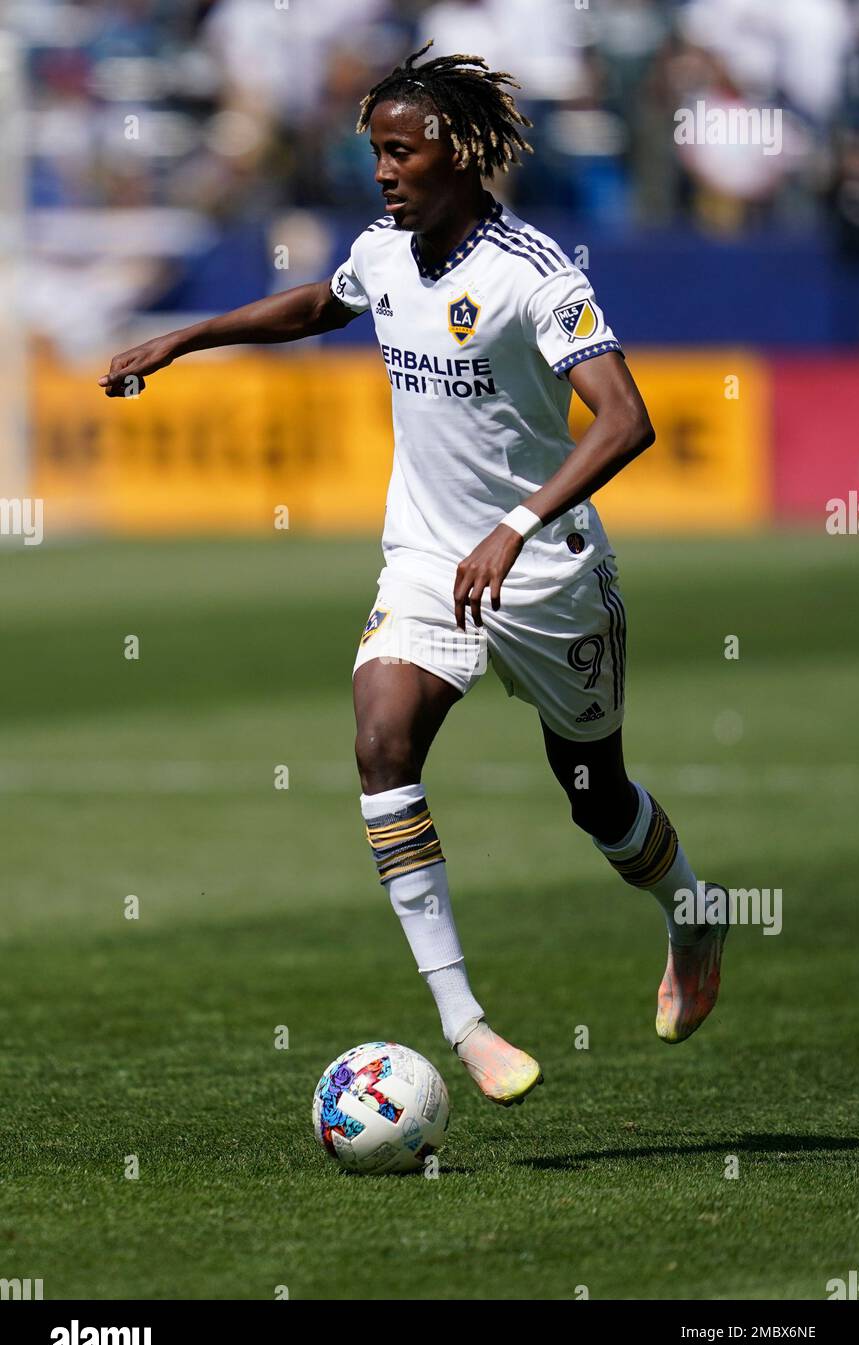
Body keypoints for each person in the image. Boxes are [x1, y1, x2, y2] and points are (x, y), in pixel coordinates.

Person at [98, 41, 729, 1109]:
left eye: (400, 152)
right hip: (427, 562)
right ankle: (463, 1022)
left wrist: (518, 525)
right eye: (375, 153)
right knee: (381, 736)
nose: (383, 171)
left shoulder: (533, 274)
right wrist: (187, 336)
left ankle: (693, 909)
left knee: (595, 800)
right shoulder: (383, 252)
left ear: (460, 152)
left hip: (546, 574)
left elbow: (626, 419)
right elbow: (319, 305)